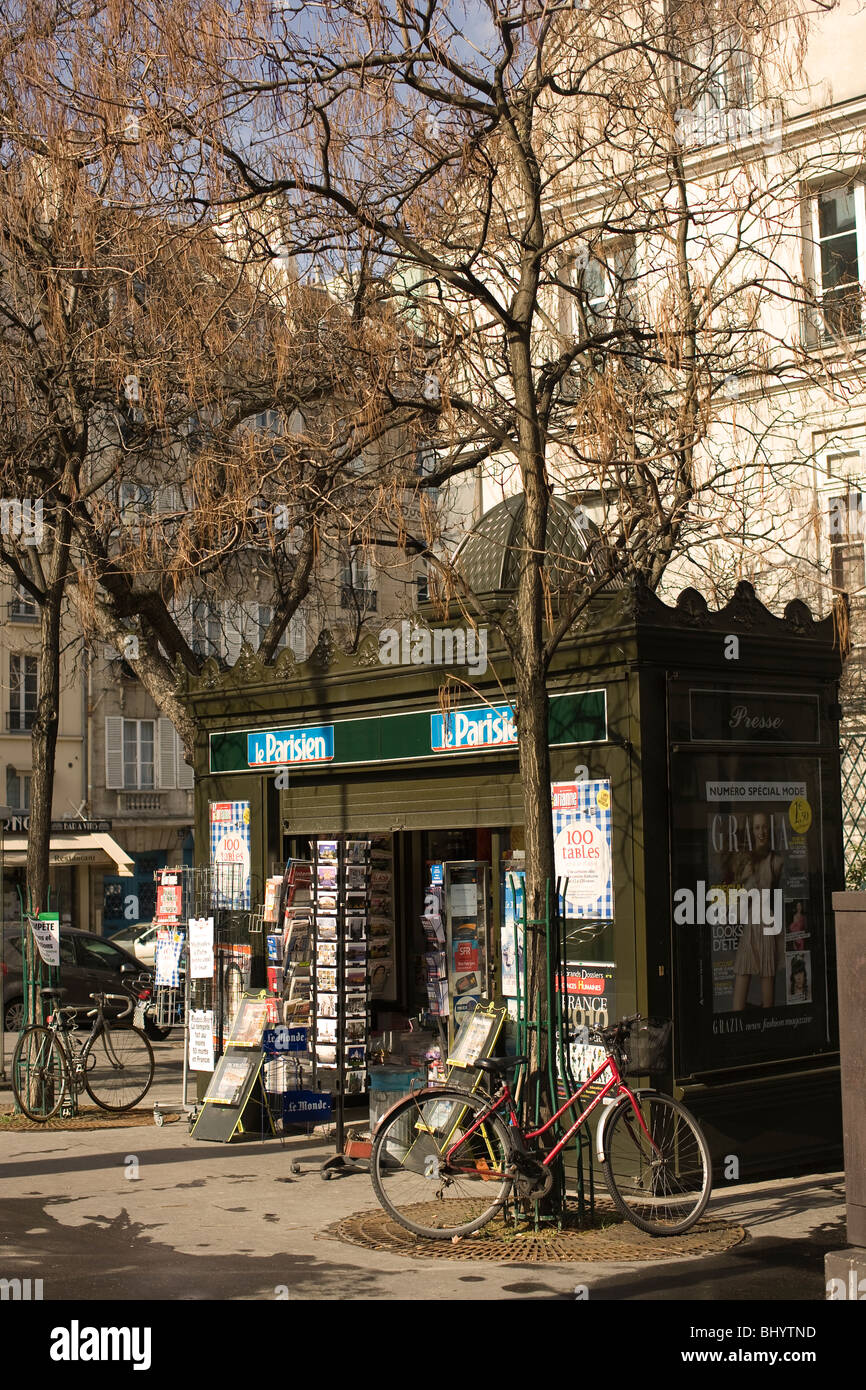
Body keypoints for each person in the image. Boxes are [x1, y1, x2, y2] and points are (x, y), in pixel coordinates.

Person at [731, 810, 784, 1010]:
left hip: (767, 925)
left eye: (764, 827)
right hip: (749, 925)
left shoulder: (776, 862)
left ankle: (766, 1032)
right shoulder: (745, 861)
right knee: (738, 1000)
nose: (761, 832)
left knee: (768, 997)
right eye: (757, 828)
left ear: (769, 830)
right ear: (751, 832)